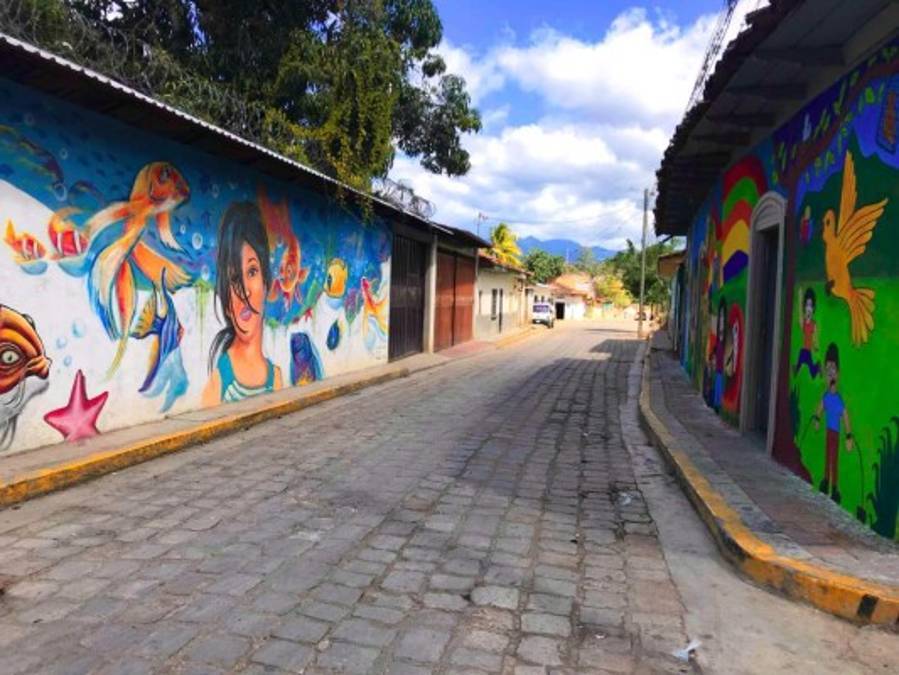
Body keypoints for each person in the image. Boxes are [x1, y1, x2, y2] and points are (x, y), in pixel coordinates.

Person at [202, 201, 283, 406]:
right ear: (227, 303)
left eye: (252, 271)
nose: (245, 290)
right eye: (235, 278)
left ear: (266, 283)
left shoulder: (277, 378)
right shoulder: (219, 382)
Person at [813, 343, 853, 503]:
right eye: (828, 371)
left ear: (838, 373)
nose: (830, 375)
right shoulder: (826, 396)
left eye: (833, 371)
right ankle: (825, 481)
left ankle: (834, 487)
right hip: (829, 432)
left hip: (836, 433)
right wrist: (816, 418)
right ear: (824, 372)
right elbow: (820, 408)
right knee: (827, 457)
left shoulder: (838, 399)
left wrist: (849, 435)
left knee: (834, 460)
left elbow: (845, 417)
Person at [794, 287, 820, 378]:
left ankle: (816, 367)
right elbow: (800, 314)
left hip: (807, 350)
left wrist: (816, 346)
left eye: (811, 305)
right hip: (805, 349)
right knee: (802, 360)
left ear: (813, 308)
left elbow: (815, 338)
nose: (808, 308)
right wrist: (800, 296)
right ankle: (798, 368)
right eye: (807, 305)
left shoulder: (813, 324)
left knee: (812, 372)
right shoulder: (803, 323)